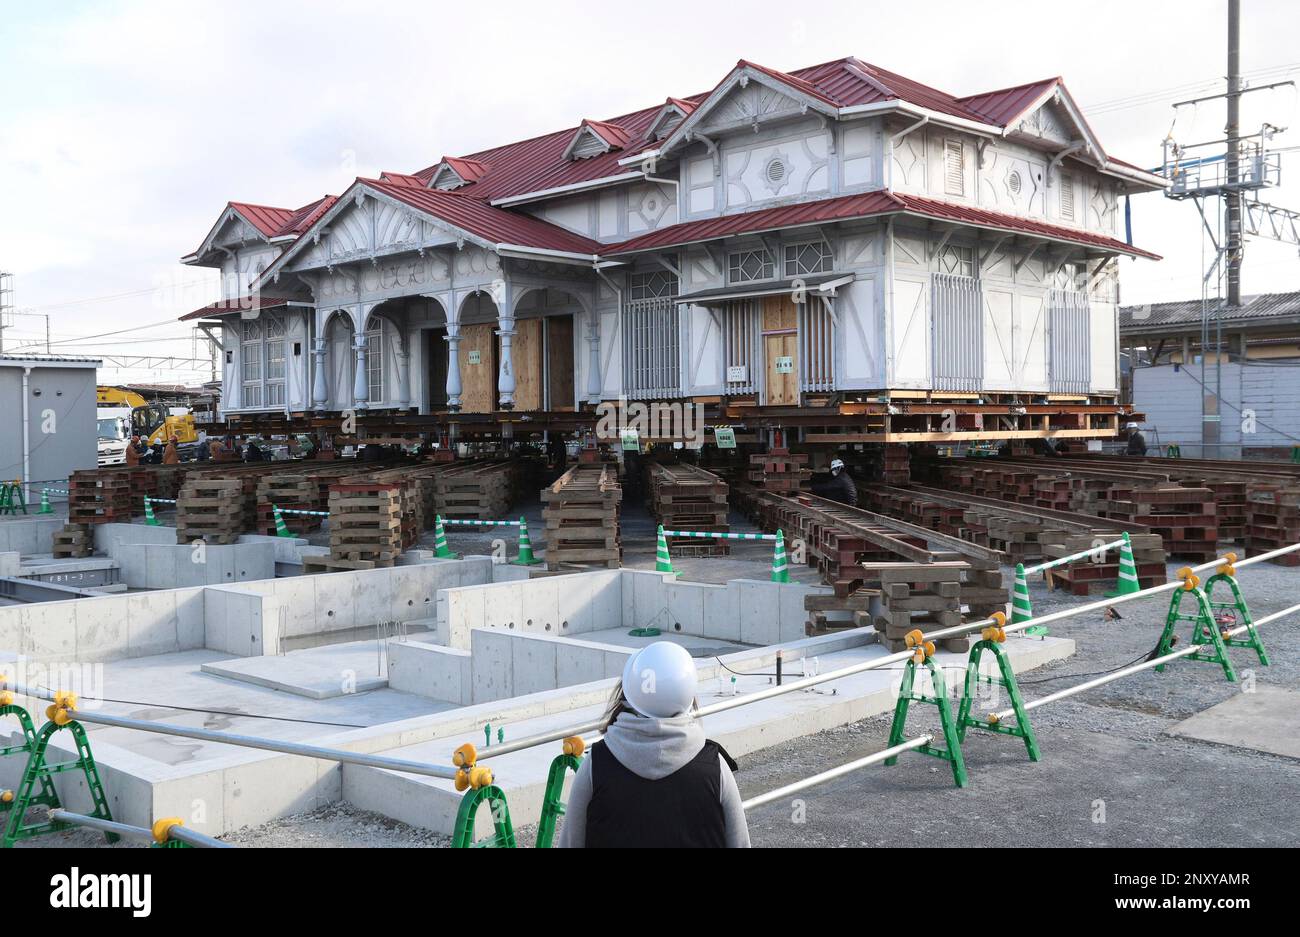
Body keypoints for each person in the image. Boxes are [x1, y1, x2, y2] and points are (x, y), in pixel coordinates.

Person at [557, 642, 750, 848]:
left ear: (627, 695)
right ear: (688, 697)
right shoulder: (715, 768)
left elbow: (570, 843)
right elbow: (740, 843)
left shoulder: (595, 766)